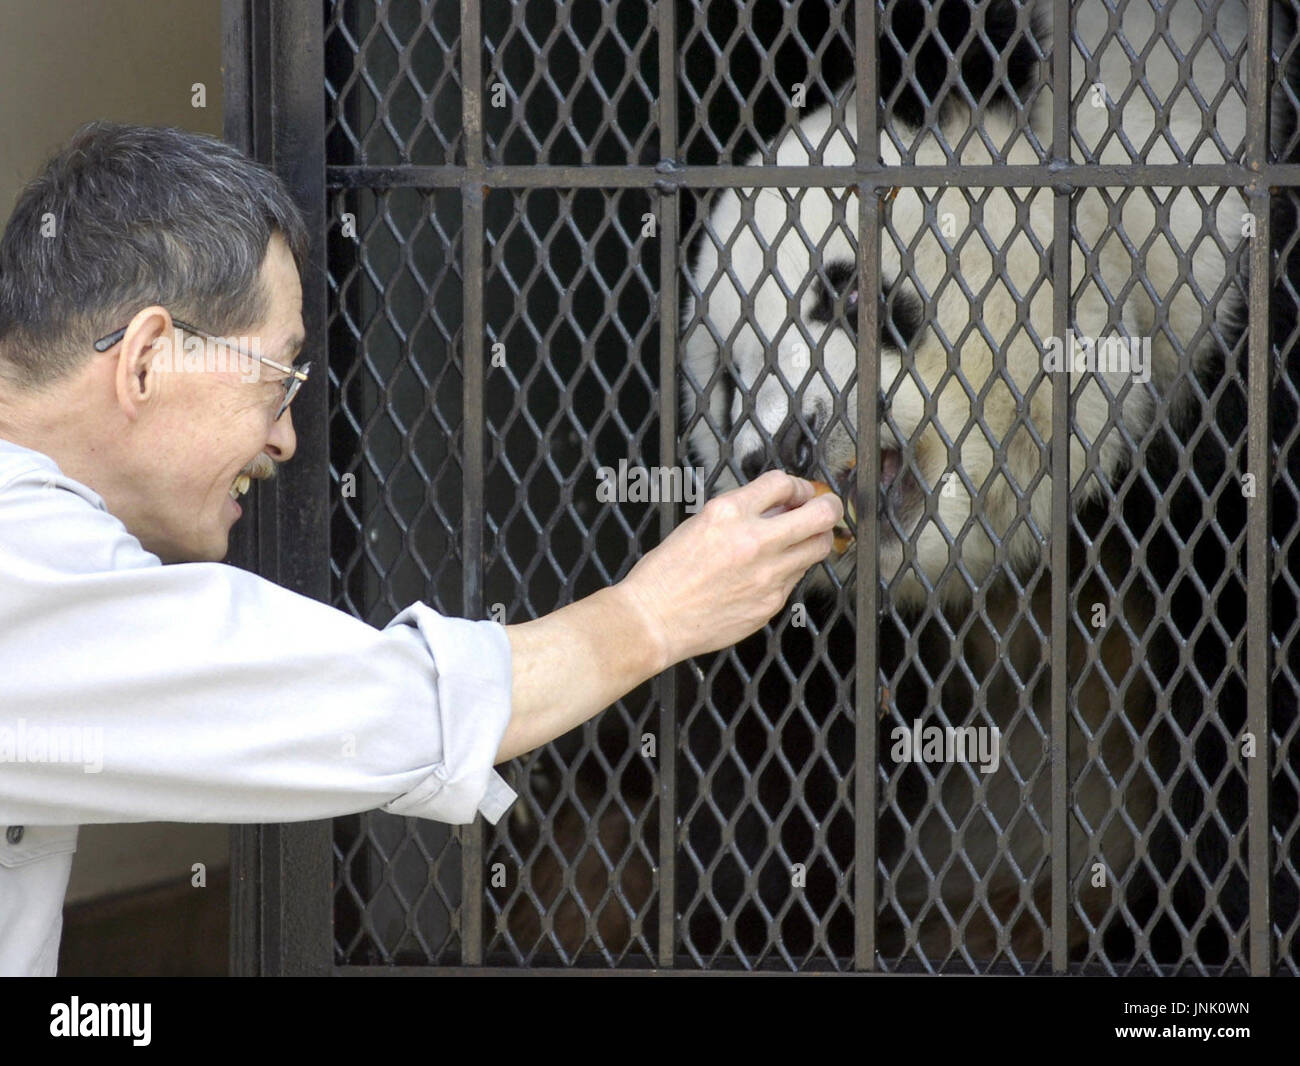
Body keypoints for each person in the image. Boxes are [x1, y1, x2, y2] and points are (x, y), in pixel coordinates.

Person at [0, 121, 841, 975]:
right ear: (147, 361)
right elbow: (382, 706)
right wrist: (656, 614)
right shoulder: (20, 565)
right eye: (280, 376)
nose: (287, 438)